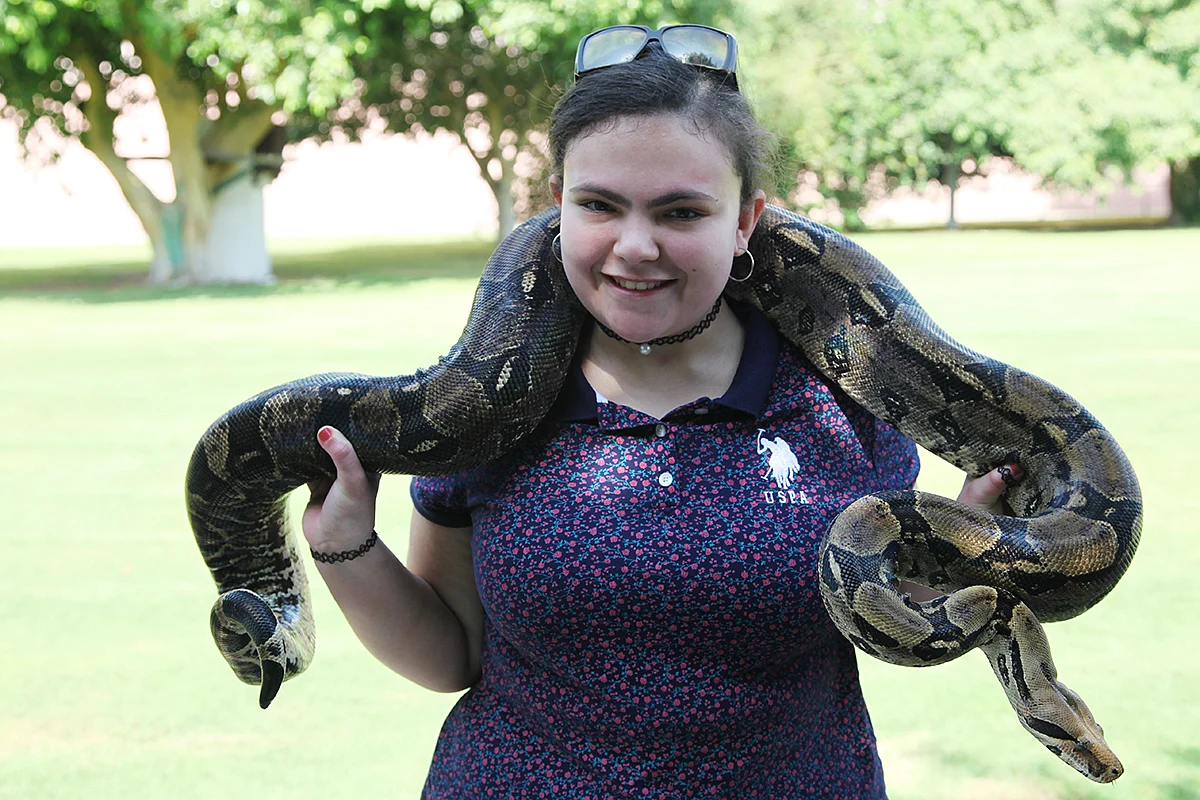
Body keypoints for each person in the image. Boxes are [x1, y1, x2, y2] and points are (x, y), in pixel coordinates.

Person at [301, 24, 1019, 799]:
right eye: (600, 206)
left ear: (746, 220)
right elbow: (452, 655)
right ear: (556, 208)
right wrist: (345, 546)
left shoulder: (841, 397)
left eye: (680, 213)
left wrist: (956, 551)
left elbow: (880, 616)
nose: (635, 246)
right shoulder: (482, 409)